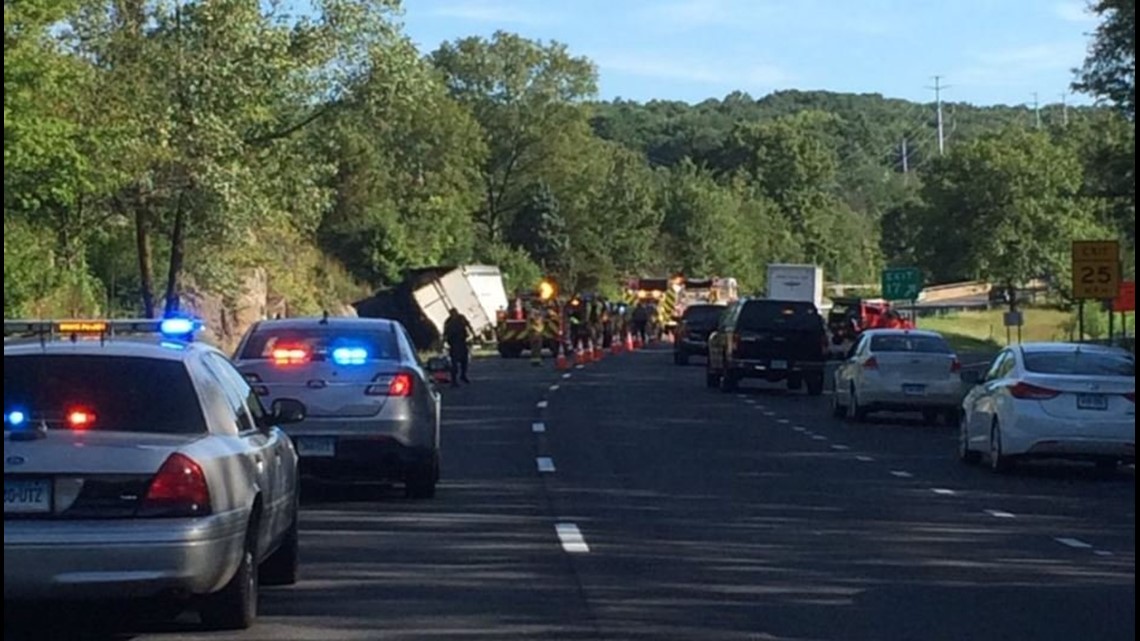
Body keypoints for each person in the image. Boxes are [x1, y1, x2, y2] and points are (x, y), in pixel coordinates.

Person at [443, 308, 472, 387]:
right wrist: (444, 341)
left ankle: (463, 375)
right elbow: (445, 332)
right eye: (452, 313)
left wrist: (471, 333)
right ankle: (454, 380)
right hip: (454, 343)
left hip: (462, 341)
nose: (453, 314)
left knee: (464, 360)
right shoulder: (448, 321)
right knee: (454, 363)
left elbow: (468, 324)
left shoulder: (461, 318)